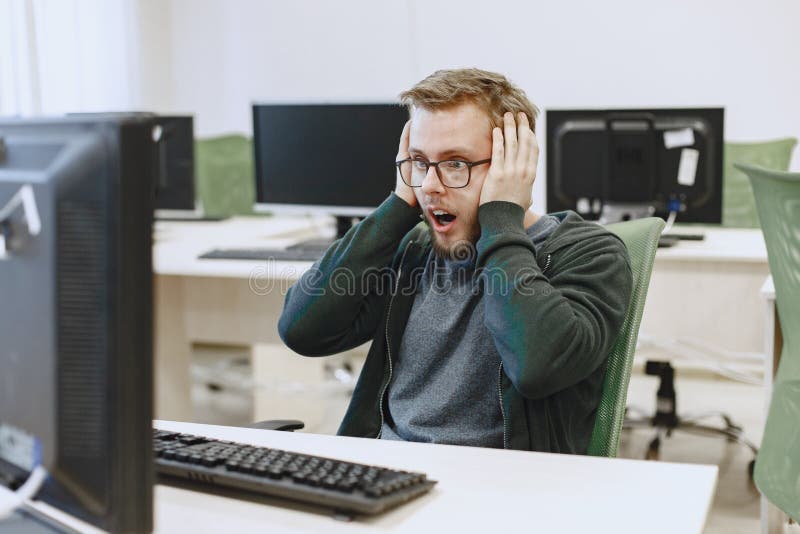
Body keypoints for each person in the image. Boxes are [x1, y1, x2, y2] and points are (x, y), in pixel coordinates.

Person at [278, 68, 632, 454]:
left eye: (456, 163)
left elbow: (536, 367)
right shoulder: (414, 251)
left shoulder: (590, 254)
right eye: (419, 162)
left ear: (511, 165)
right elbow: (301, 330)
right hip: (382, 473)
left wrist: (500, 215)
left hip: (494, 492)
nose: (430, 185)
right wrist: (397, 208)